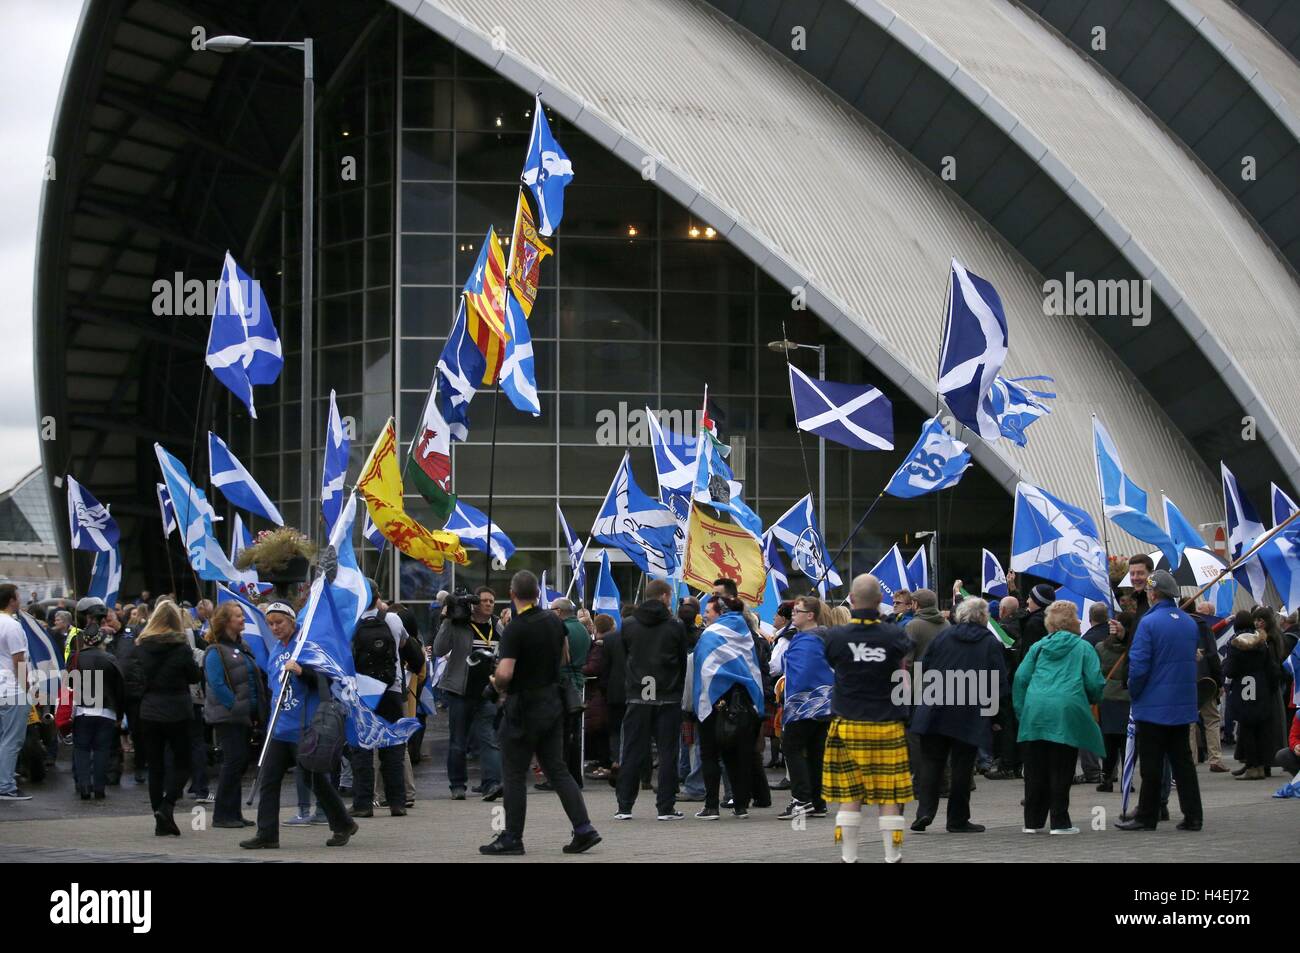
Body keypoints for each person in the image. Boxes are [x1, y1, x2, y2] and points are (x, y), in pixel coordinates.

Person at [480, 571, 600, 856]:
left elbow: (506, 672)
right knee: (557, 769)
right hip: (552, 704)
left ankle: (512, 837)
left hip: (523, 708)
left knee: (513, 773)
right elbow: (564, 657)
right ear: (537, 594)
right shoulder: (553, 622)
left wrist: (495, 682)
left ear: (512, 594)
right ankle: (584, 829)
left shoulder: (515, 628)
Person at [241, 603, 355, 849]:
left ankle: (343, 823)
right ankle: (267, 834)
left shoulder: (306, 645)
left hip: (304, 728)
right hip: (279, 728)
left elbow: (325, 680)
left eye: (279, 622)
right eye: (271, 624)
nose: (274, 628)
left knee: (315, 780)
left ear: (291, 622)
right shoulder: (276, 650)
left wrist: (303, 671)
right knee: (269, 780)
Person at [820, 574, 913, 863]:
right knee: (889, 794)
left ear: (852, 598)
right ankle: (892, 856)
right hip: (887, 722)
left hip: (847, 722)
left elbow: (834, 662)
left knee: (850, 794)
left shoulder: (835, 637)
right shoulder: (895, 635)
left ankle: (849, 858)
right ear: (878, 601)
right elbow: (903, 663)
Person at [1114, 570, 1203, 831]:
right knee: (1183, 762)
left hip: (1153, 704)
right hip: (1182, 703)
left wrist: (1133, 689)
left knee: (1151, 764)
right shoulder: (1188, 622)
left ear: (1153, 594)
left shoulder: (1149, 623)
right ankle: (1193, 815)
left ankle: (1147, 815)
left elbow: (1139, 665)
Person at [909, 596, 1006, 833]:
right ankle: (957, 819)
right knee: (962, 767)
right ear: (984, 618)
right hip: (969, 712)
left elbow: (925, 667)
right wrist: (996, 718)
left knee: (932, 763)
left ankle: (924, 813)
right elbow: (998, 683)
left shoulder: (943, 636)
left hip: (934, 708)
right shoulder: (990, 643)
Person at [1013, 600, 1104, 835]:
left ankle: (1032, 822)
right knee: (1061, 767)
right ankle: (1060, 821)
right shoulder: (1084, 648)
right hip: (1066, 709)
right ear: (1074, 621)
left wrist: (1023, 711)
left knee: (1034, 769)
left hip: (1035, 709)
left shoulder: (1039, 647)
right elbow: (1094, 682)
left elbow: (1021, 678)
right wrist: (1092, 698)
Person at [123, 601, 201, 836]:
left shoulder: (141, 646)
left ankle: (160, 818)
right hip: (177, 709)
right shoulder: (182, 647)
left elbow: (134, 677)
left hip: (149, 710)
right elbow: (193, 676)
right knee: (183, 762)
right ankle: (167, 807)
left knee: (155, 766)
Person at [687, 594, 765, 820]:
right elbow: (752, 666)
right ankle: (741, 806)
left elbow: (702, 667)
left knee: (710, 754)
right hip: (743, 701)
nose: (706, 616)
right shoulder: (745, 632)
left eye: (709, 612)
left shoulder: (711, 634)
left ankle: (711, 806)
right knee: (739, 755)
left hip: (713, 702)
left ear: (720, 612)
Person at [614, 579, 686, 821]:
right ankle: (665, 807)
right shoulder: (675, 626)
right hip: (667, 696)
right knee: (668, 754)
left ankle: (624, 806)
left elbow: (626, 657)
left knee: (632, 751)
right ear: (665, 596)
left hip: (638, 695)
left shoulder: (628, 624)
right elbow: (681, 662)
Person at [431, 586, 503, 801]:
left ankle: (492, 784)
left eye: (491, 600)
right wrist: (447, 620)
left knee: (489, 739)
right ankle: (457, 785)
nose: (489, 604)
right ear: (473, 604)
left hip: (487, 692)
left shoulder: (497, 626)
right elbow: (439, 650)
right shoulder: (459, 624)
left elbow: (508, 649)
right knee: (458, 741)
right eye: (484, 600)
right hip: (459, 691)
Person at [348, 584, 413, 818]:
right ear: (378, 597)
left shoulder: (351, 623)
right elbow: (405, 644)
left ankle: (363, 804)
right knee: (393, 746)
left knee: (362, 748)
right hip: (391, 689)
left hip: (363, 692)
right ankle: (397, 803)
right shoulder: (393, 620)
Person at [202, 601, 265, 828]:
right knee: (233, 761)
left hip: (244, 715)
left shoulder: (242, 647)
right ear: (226, 621)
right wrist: (234, 704)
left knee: (239, 763)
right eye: (238, 616)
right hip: (229, 716)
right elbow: (217, 683)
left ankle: (234, 812)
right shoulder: (215, 650)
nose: (242, 619)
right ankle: (222, 814)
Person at [778, 595, 833, 820]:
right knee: (815, 752)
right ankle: (817, 801)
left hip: (804, 705)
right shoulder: (825, 637)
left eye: (797, 611)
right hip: (825, 704)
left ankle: (801, 800)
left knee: (792, 748)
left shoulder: (806, 640)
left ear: (810, 615)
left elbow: (802, 674)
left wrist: (793, 704)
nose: (793, 615)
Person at [1223, 609, 1283, 782]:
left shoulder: (1235, 645)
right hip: (1261, 689)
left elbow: (1230, 670)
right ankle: (1262, 766)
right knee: (1261, 729)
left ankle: (1252, 767)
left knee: (1247, 730)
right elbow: (1271, 669)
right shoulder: (1262, 644)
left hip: (1243, 690)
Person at [68, 623, 124, 800]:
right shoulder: (110, 659)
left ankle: (84, 786)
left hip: (82, 711)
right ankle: (99, 788)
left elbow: (67, 686)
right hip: (106, 712)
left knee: (82, 749)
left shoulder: (75, 659)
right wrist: (120, 714)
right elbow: (120, 689)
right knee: (102, 750)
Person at [553, 598, 591, 788]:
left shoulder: (561, 630)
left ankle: (561, 778)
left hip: (562, 684)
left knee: (559, 734)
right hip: (577, 684)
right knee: (574, 735)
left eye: (551, 609)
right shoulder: (583, 630)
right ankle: (575, 778)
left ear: (559, 611)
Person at [1094, 612, 1131, 791]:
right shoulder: (1133, 648)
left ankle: (1107, 778)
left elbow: (1096, 673)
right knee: (1128, 743)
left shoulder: (1101, 648)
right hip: (1128, 697)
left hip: (1107, 698)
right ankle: (1127, 780)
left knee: (1108, 741)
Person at [0, 584, 31, 801]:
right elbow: (18, 660)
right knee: (12, 740)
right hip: (12, 689)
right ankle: (6, 786)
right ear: (11, 600)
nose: (20, 600)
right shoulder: (12, 625)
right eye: (18, 596)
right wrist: (27, 687)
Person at [1188, 600, 1226, 772]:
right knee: (1211, 719)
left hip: (1186, 678)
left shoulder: (1176, 625)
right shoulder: (1204, 626)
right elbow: (1212, 655)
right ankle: (1215, 759)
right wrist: (1218, 681)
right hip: (1205, 678)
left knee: (1189, 720)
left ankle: (1191, 758)